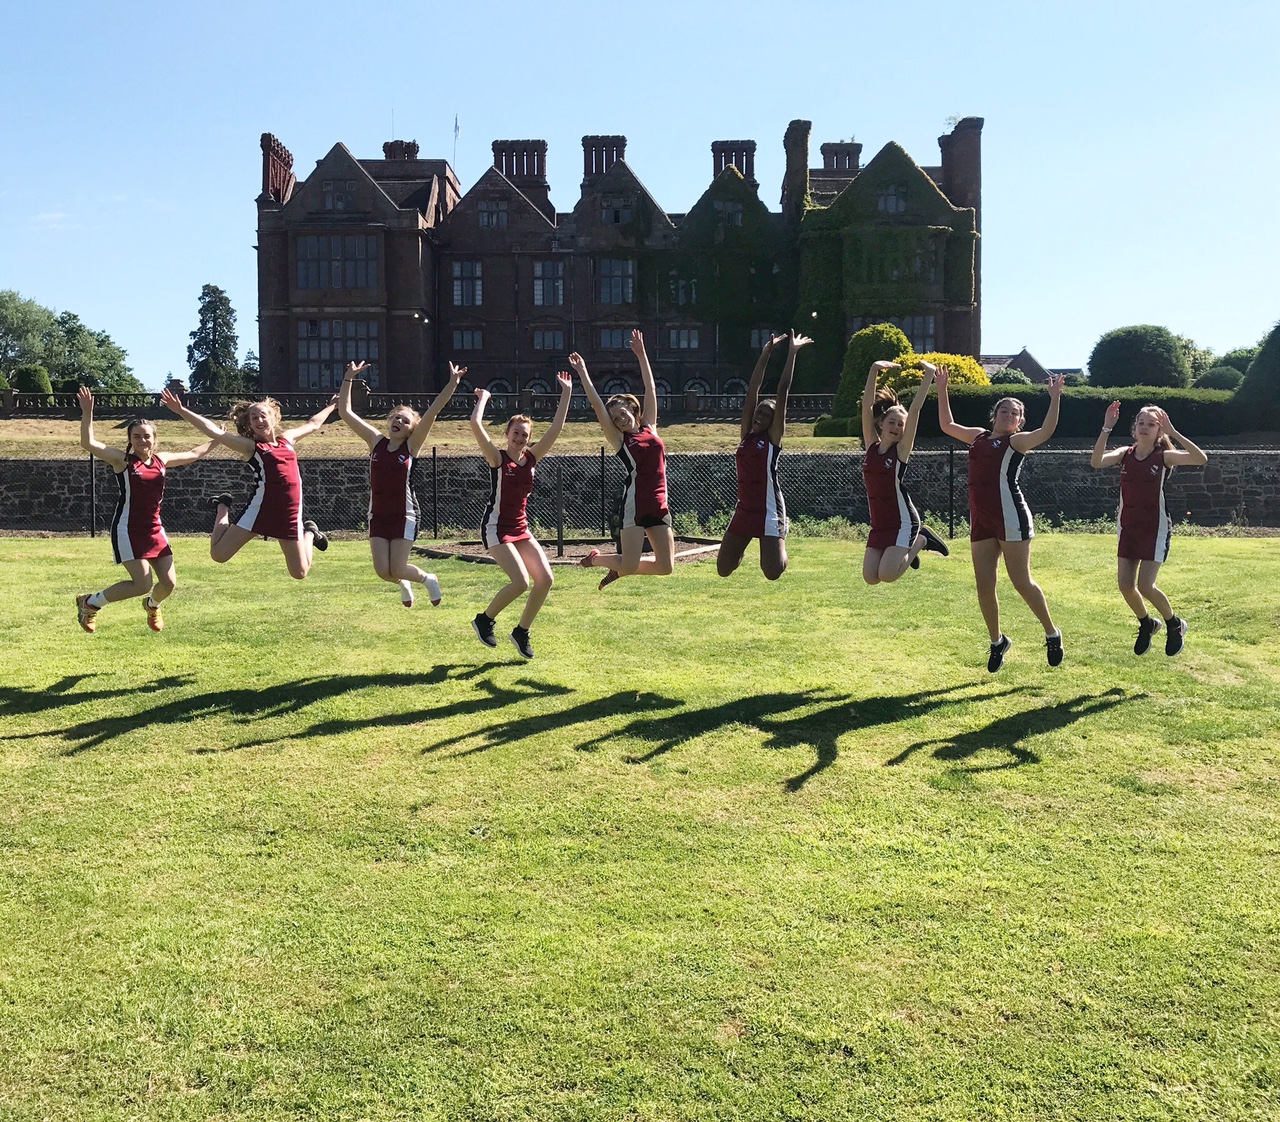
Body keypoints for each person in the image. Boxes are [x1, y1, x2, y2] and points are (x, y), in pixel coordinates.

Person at [936, 369, 1066, 671]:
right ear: (995, 415)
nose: (1009, 415)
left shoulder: (1016, 442)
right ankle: (997, 642)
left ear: (1019, 422)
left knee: (1021, 581)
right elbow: (947, 424)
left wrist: (1055, 398)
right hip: (982, 520)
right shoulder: (978, 436)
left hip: (1011, 518)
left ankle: (1051, 632)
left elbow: (1045, 432)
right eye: (1004, 410)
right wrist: (942, 389)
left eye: (1015, 413)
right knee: (984, 586)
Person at [74, 387, 214, 633]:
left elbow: (193, 454)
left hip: (154, 529)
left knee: (169, 583)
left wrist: (217, 438)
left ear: (154, 439)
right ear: (130, 440)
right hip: (128, 529)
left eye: (147, 436)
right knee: (141, 583)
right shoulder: (122, 461)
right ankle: (90, 603)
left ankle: (152, 605)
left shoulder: (162, 459)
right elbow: (89, 443)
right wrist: (88, 413)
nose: (142, 440)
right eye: (136, 436)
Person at [161, 388, 335, 579]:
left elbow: (313, 424)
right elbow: (214, 431)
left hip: (289, 512)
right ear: (249, 424)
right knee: (218, 555)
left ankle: (309, 532)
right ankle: (222, 506)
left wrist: (333, 405)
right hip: (260, 510)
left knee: (300, 572)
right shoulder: (251, 447)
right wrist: (181, 410)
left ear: (274, 418)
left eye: (263, 416)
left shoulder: (288, 439)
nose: (259, 421)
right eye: (254, 418)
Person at [337, 359, 465, 607]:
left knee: (397, 567)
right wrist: (348, 377)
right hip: (378, 514)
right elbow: (345, 412)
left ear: (411, 430)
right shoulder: (376, 441)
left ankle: (428, 579)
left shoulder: (411, 446)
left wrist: (452, 383)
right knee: (383, 572)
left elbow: (433, 411)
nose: (399, 422)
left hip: (404, 514)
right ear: (389, 421)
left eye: (406, 421)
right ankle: (404, 582)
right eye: (397, 417)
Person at [468, 370, 574, 658]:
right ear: (507, 434)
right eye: (515, 433)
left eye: (524, 435)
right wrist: (485, 399)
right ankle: (484, 620)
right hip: (495, 527)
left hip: (520, 526)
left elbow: (556, 428)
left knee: (546, 579)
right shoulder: (497, 458)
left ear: (529, 439)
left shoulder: (532, 458)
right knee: (520, 582)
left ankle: (521, 631)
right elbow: (475, 425)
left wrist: (566, 392)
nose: (519, 438)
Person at [1090, 401, 1208, 656]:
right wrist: (1106, 428)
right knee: (1125, 585)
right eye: (1141, 423)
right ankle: (1147, 623)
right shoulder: (1125, 454)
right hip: (1128, 526)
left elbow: (1200, 458)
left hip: (1155, 528)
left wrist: (1174, 433)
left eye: (1151, 424)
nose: (1145, 427)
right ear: (1134, 429)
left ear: (1159, 431)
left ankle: (1174, 624)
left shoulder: (1163, 456)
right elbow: (1097, 461)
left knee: (1146, 585)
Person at [570, 330, 672, 588]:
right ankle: (596, 560)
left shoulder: (650, 427)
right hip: (636, 505)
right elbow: (596, 404)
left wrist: (641, 354)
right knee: (628, 563)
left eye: (623, 413)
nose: (621, 419)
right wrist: (582, 372)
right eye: (615, 418)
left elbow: (650, 387)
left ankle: (618, 569)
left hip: (659, 503)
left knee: (666, 567)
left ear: (631, 408)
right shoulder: (621, 441)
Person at [717, 329, 812, 580]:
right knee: (723, 569)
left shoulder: (772, 439)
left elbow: (782, 390)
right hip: (745, 509)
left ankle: (778, 538)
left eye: (766, 417)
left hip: (769, 509)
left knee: (772, 572)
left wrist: (792, 352)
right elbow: (753, 390)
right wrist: (766, 354)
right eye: (758, 414)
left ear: (773, 423)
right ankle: (746, 545)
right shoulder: (746, 434)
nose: (759, 419)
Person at [860, 359, 949, 584]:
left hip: (903, 521)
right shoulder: (871, 444)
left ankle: (921, 540)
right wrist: (873, 369)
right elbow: (866, 406)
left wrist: (928, 375)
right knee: (871, 577)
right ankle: (908, 552)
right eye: (892, 422)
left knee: (887, 575)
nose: (896, 427)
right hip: (879, 524)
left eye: (901, 425)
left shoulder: (900, 452)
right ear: (881, 423)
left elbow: (916, 409)